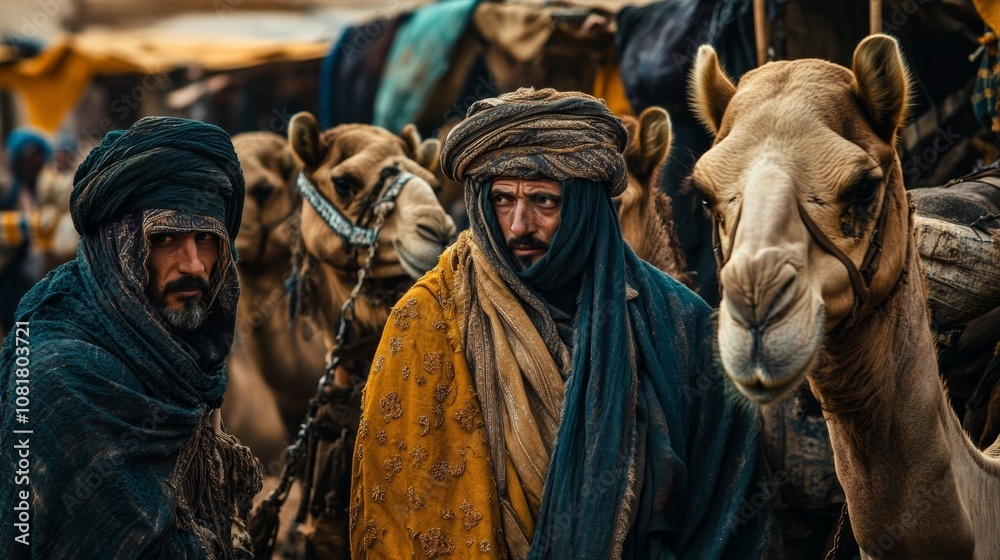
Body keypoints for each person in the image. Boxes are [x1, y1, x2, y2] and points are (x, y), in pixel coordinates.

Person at [350, 88, 776, 559]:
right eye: (501, 200)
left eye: (543, 201)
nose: (518, 225)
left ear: (585, 207)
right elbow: (396, 509)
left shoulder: (681, 325)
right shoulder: (425, 319)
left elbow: (724, 515)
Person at [0, 117, 262, 559]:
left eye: (205, 238)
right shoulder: (58, 376)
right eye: (166, 239)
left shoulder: (183, 356)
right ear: (119, 245)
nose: (194, 264)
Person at [0, 128, 52, 338]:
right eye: (30, 155)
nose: (35, 160)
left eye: (39, 155)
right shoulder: (6, 186)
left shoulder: (42, 186)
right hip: (8, 263)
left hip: (33, 264)